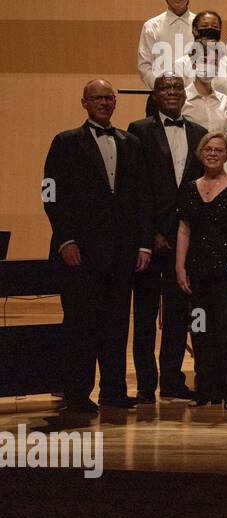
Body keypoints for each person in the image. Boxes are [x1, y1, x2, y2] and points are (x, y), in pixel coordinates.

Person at [42, 80, 152, 413]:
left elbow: (142, 197)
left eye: (109, 98)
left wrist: (144, 245)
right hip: (81, 252)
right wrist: (65, 239)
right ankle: (77, 394)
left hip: (122, 253)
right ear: (84, 102)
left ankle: (114, 392)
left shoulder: (130, 142)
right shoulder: (65, 142)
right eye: (97, 98)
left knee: (117, 324)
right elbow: (50, 192)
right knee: (81, 325)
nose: (104, 102)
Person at [127, 73, 206, 404]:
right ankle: (146, 384)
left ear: (184, 95)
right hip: (150, 239)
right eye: (165, 89)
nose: (172, 93)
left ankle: (173, 381)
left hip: (185, 239)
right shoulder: (139, 130)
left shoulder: (199, 133)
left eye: (177, 88)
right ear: (155, 95)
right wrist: (152, 234)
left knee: (178, 316)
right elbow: (137, 188)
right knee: (145, 315)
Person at [175, 132, 227, 408]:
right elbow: (184, 230)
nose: (212, 154)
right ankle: (205, 389)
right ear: (200, 153)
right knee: (200, 330)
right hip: (197, 274)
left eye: (218, 150)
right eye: (208, 149)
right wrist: (180, 267)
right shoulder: (189, 188)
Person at [138, 0, 196, 89]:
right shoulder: (151, 26)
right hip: (161, 97)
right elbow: (145, 66)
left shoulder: (200, 25)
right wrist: (163, 90)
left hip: (195, 97)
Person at [181, 12, 227, 134]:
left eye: (212, 62)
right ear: (193, 64)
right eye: (203, 60)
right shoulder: (182, 100)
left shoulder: (225, 101)